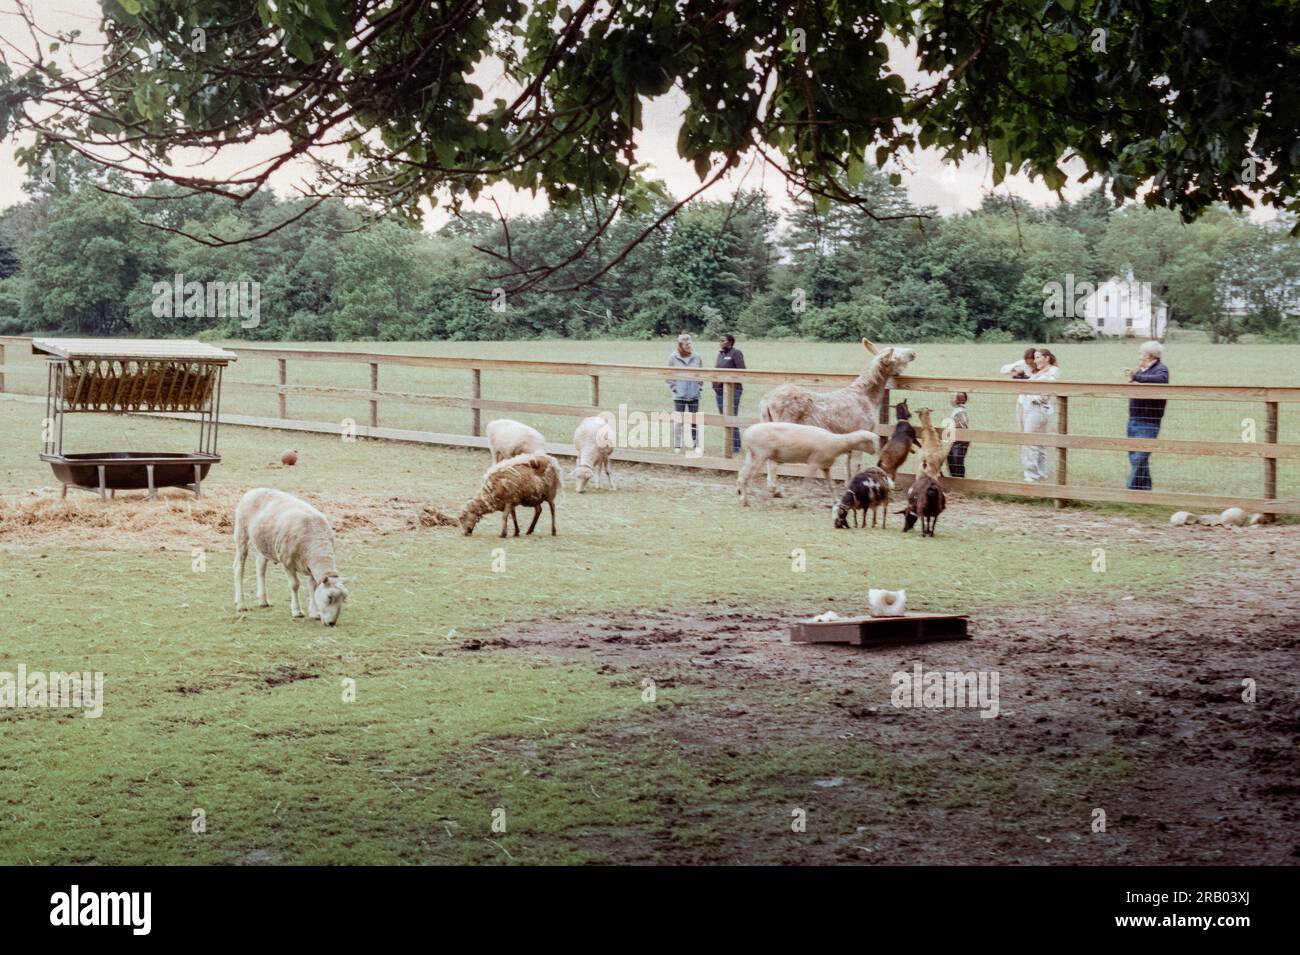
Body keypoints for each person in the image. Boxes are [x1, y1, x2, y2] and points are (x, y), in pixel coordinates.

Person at [1124, 340, 1169, 490]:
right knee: (1134, 455)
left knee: (1140, 455)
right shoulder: (1142, 370)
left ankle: (1131, 490)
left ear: (1148, 355)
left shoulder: (1161, 370)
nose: (1139, 356)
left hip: (1149, 420)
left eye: (1141, 353)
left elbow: (1161, 381)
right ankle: (1145, 488)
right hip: (1134, 418)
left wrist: (1136, 377)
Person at [1019, 348, 1060, 483]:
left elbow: (1047, 390)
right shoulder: (1038, 372)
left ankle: (1031, 474)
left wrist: (1034, 396)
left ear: (1047, 358)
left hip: (1037, 408)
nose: (1035, 361)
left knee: (1030, 441)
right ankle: (1041, 472)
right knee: (1039, 442)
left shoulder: (1052, 371)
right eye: (1035, 358)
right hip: (1033, 408)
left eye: (1038, 357)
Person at [667, 332, 702, 450]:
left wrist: (699, 387)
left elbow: (701, 373)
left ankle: (695, 444)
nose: (688, 346)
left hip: (694, 394)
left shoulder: (697, 356)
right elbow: (668, 375)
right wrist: (675, 388)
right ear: (680, 345)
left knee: (694, 420)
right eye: (685, 344)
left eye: (689, 343)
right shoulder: (673, 357)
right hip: (679, 395)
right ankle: (677, 445)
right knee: (679, 420)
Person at [713, 334, 746, 454]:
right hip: (719, 391)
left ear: (730, 342)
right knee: (724, 417)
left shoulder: (736, 353)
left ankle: (735, 447)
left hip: (733, 390)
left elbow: (742, 370)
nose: (721, 342)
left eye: (723, 340)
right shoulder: (720, 354)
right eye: (720, 340)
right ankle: (729, 444)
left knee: (731, 416)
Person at [945, 392, 970, 477]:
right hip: (956, 439)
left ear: (957, 400)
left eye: (953, 397)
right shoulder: (957, 410)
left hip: (960, 439)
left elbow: (963, 424)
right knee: (952, 460)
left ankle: (959, 481)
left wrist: (952, 424)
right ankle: (955, 481)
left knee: (956, 461)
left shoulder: (960, 411)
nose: (951, 399)